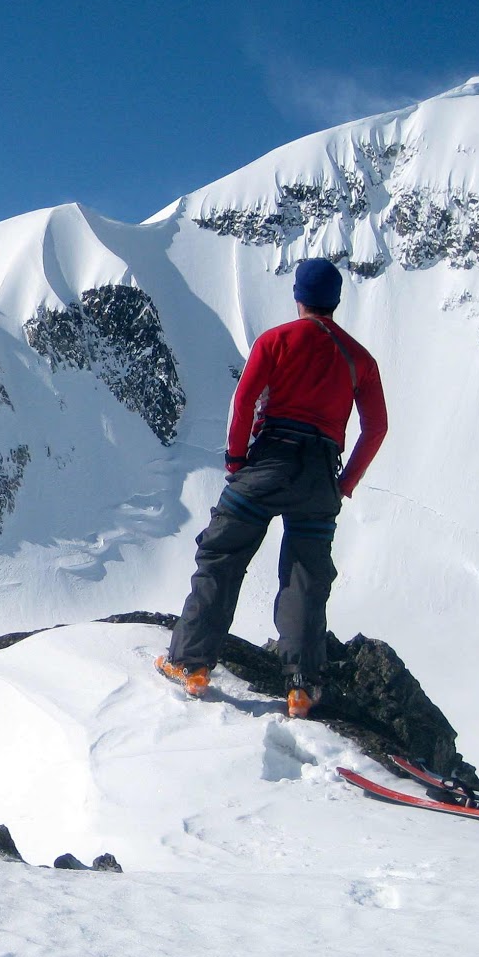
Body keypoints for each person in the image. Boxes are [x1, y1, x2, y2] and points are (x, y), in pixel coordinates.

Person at [156, 257, 387, 717]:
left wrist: (237, 459)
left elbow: (244, 400)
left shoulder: (277, 340)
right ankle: (301, 688)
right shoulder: (359, 358)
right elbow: (376, 427)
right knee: (305, 578)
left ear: (298, 296)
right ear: (336, 302)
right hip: (320, 474)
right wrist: (345, 483)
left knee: (222, 557)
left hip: (267, 463)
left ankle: (192, 665)